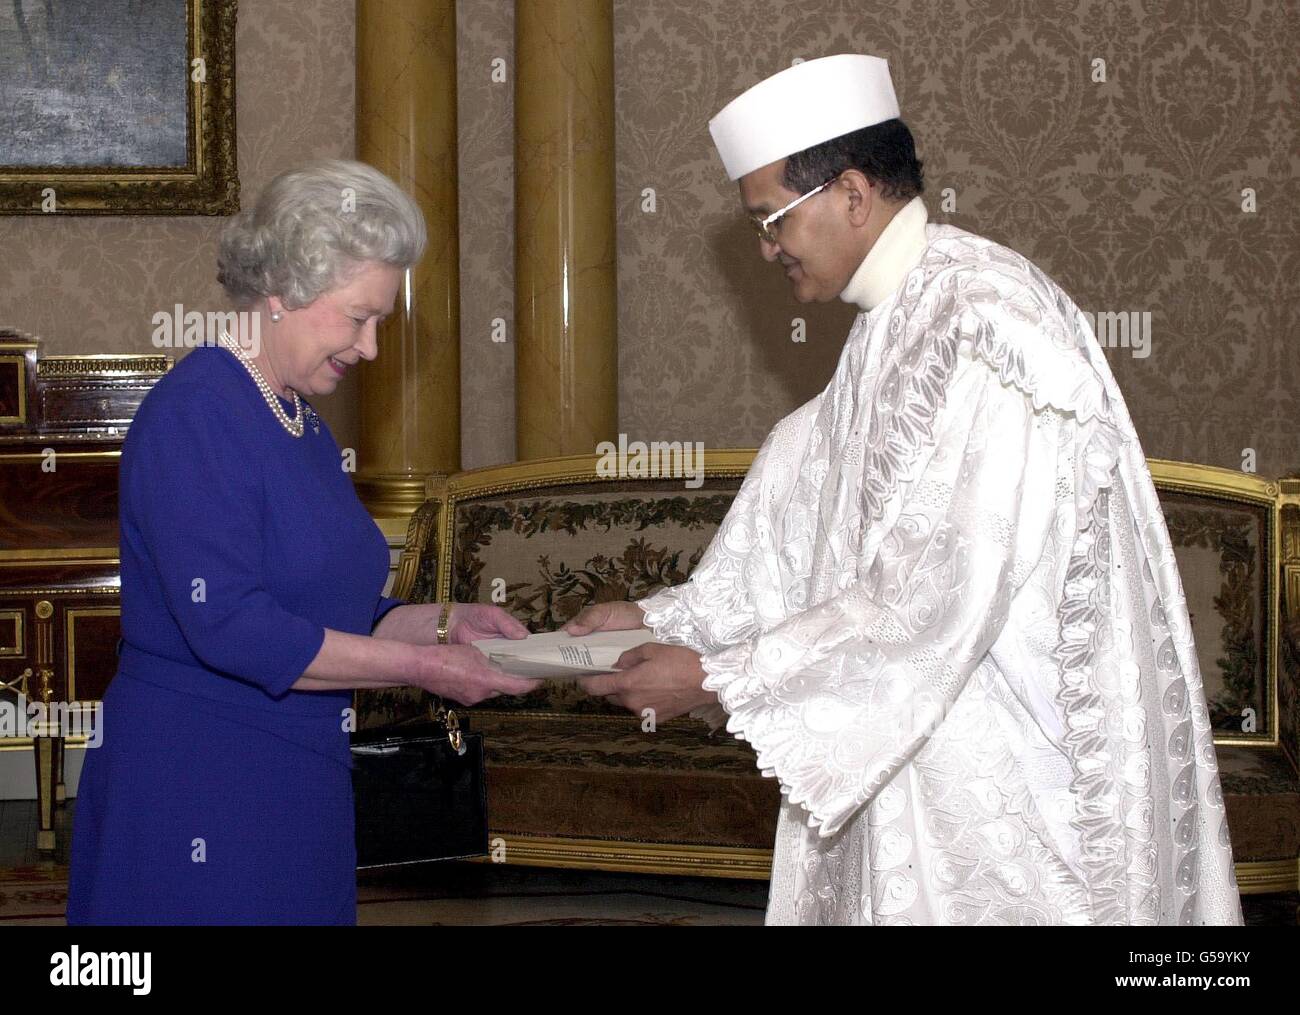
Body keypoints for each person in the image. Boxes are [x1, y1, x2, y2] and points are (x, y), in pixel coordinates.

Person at [569, 55, 1243, 926]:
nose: (767, 248)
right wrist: (657, 621)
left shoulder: (989, 322)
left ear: (851, 193)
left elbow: (933, 593)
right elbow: (799, 534)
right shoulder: (889, 325)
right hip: (919, 772)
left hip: (1014, 799)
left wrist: (719, 677)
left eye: (772, 219)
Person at [67, 159, 536, 926]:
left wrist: (445, 624)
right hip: (201, 780)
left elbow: (337, 606)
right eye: (359, 317)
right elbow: (232, 625)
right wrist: (424, 668)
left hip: (298, 775)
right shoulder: (195, 413)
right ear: (283, 288)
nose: (372, 347)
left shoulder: (301, 423)